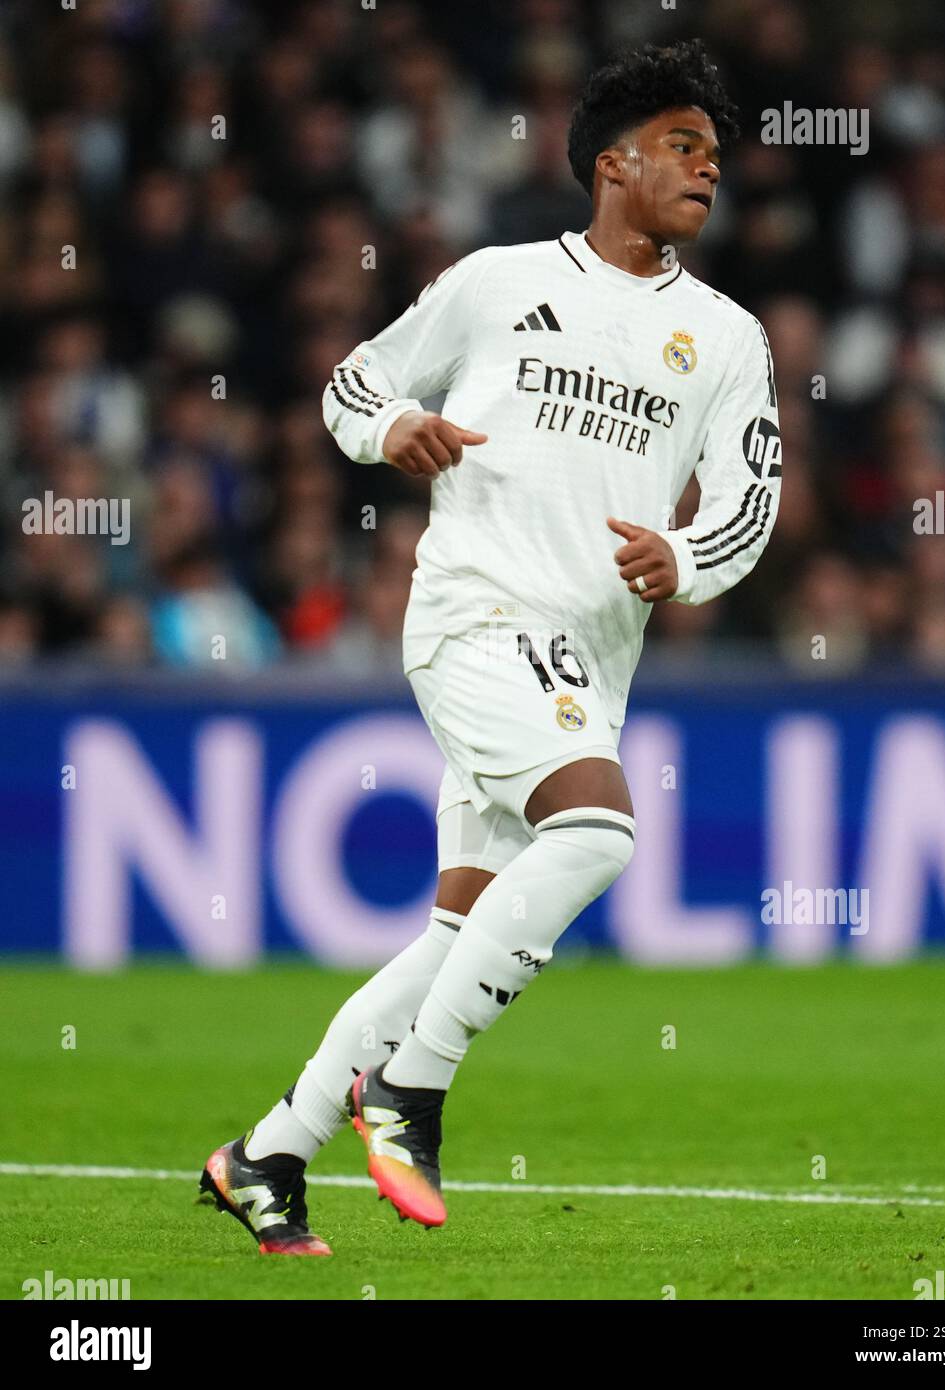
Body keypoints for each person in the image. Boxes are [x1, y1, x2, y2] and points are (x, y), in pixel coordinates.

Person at [200, 38, 781, 1254]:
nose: (706, 170)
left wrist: (682, 559)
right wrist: (398, 424)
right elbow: (351, 386)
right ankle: (410, 1091)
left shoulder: (725, 339)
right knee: (599, 829)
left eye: (716, 155)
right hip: (473, 612)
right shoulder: (494, 281)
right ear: (611, 162)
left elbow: (748, 499)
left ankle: (267, 1154)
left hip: (588, 658)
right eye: (683, 145)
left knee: (459, 929)